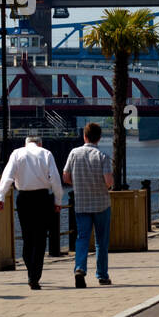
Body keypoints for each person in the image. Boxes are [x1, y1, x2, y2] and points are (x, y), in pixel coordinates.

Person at [0, 135, 63, 289]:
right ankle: (34, 276)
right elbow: (55, 179)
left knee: (27, 237)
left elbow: (8, 176)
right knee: (40, 239)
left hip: (24, 198)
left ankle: (30, 270)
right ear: (40, 143)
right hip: (42, 198)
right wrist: (58, 200)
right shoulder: (46, 154)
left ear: (25, 144)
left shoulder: (17, 153)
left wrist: (1, 196)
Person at [62, 122, 114, 287]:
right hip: (101, 204)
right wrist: (107, 186)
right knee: (101, 241)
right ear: (99, 138)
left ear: (84, 136)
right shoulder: (103, 156)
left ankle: (79, 268)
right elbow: (108, 182)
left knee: (82, 238)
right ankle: (102, 275)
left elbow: (66, 177)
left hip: (82, 203)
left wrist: (77, 184)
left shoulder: (74, 153)